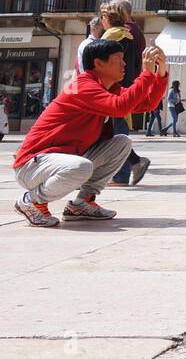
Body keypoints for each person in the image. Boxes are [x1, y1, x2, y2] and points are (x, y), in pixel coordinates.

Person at [12, 39, 169, 228]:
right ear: (98, 63)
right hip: (32, 166)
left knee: (121, 143)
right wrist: (145, 73)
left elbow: (147, 104)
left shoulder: (108, 87)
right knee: (82, 166)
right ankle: (31, 201)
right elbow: (120, 107)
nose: (124, 63)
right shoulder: (83, 85)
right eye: (118, 58)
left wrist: (160, 73)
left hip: (58, 160)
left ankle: (82, 204)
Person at [101, 2, 151, 186]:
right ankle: (131, 165)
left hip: (115, 91)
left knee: (117, 132)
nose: (101, 22)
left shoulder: (115, 38)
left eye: (103, 17)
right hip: (123, 88)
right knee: (114, 131)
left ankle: (123, 173)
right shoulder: (129, 34)